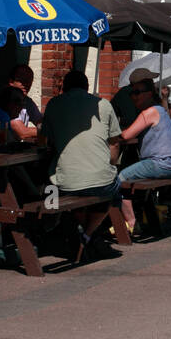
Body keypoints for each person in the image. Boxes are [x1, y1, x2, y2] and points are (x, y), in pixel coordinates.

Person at [40, 69, 123, 259]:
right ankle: (87, 234)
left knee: (50, 187)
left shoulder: (53, 104)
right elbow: (115, 143)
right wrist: (109, 165)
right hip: (101, 182)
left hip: (64, 184)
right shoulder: (103, 104)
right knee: (113, 187)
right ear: (86, 88)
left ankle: (56, 226)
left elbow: (43, 142)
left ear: (63, 88)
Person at [115, 77, 171, 232]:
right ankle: (136, 216)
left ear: (149, 93)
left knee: (119, 179)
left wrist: (110, 133)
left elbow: (126, 136)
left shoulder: (150, 112)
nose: (134, 96)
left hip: (160, 163)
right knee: (130, 175)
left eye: (137, 92)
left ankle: (131, 223)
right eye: (132, 93)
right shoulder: (160, 109)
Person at [8, 64, 42, 142]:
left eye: (28, 81)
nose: (25, 85)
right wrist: (48, 131)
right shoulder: (6, 101)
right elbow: (22, 132)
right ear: (11, 82)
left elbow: (40, 122)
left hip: (14, 150)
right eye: (21, 81)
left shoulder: (28, 102)